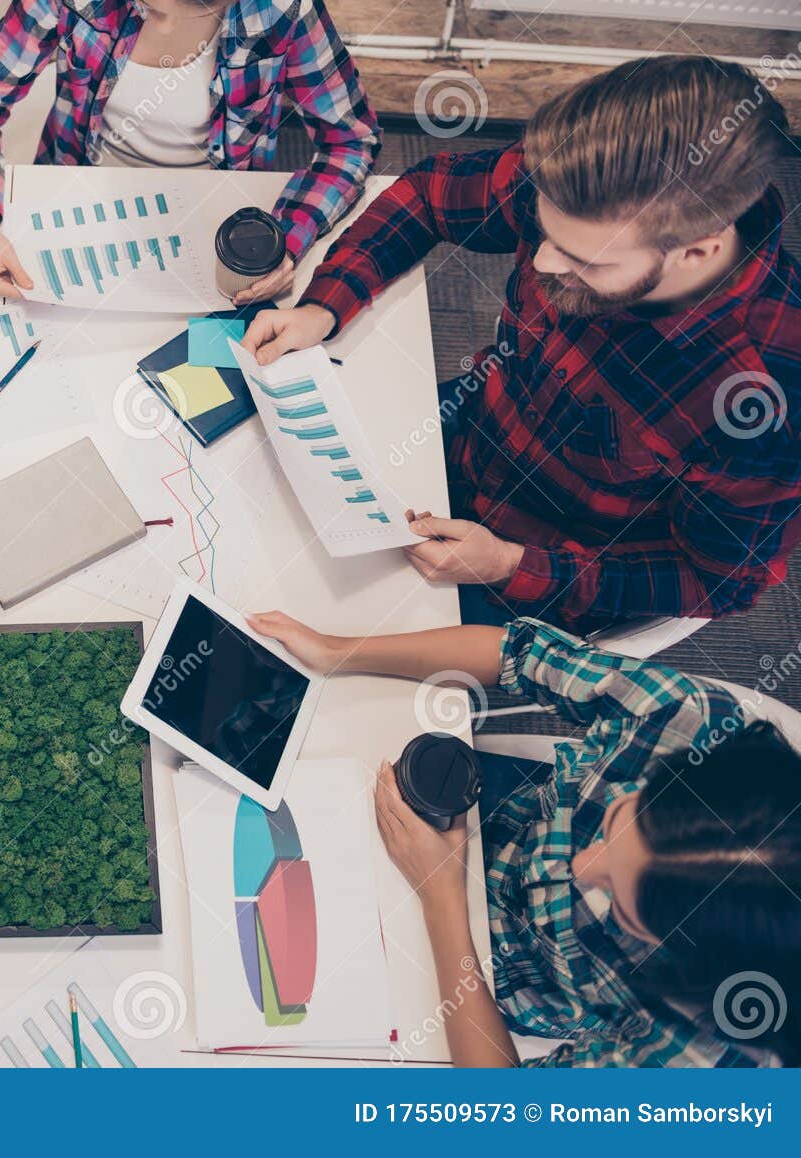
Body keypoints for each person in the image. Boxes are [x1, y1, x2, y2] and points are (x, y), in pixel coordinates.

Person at [242, 55, 801, 633]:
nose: (541, 261)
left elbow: (719, 581)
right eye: (544, 228)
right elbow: (428, 193)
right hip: (468, 431)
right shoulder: (580, 185)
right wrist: (324, 305)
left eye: (584, 260)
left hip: (542, 569)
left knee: (326, 652)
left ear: (698, 250)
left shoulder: (765, 404)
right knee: (254, 501)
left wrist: (512, 565)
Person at [249, 608, 801, 1068]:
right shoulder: (685, 720)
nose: (581, 866)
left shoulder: (700, 1058)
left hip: (483, 984)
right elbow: (514, 655)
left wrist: (443, 901)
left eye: (623, 908)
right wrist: (335, 649)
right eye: (616, 821)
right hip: (488, 812)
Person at [0, 0, 380, 303]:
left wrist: (286, 240)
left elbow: (351, 142)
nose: (163, 28)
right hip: (76, 189)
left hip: (218, 211)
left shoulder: (284, 11)